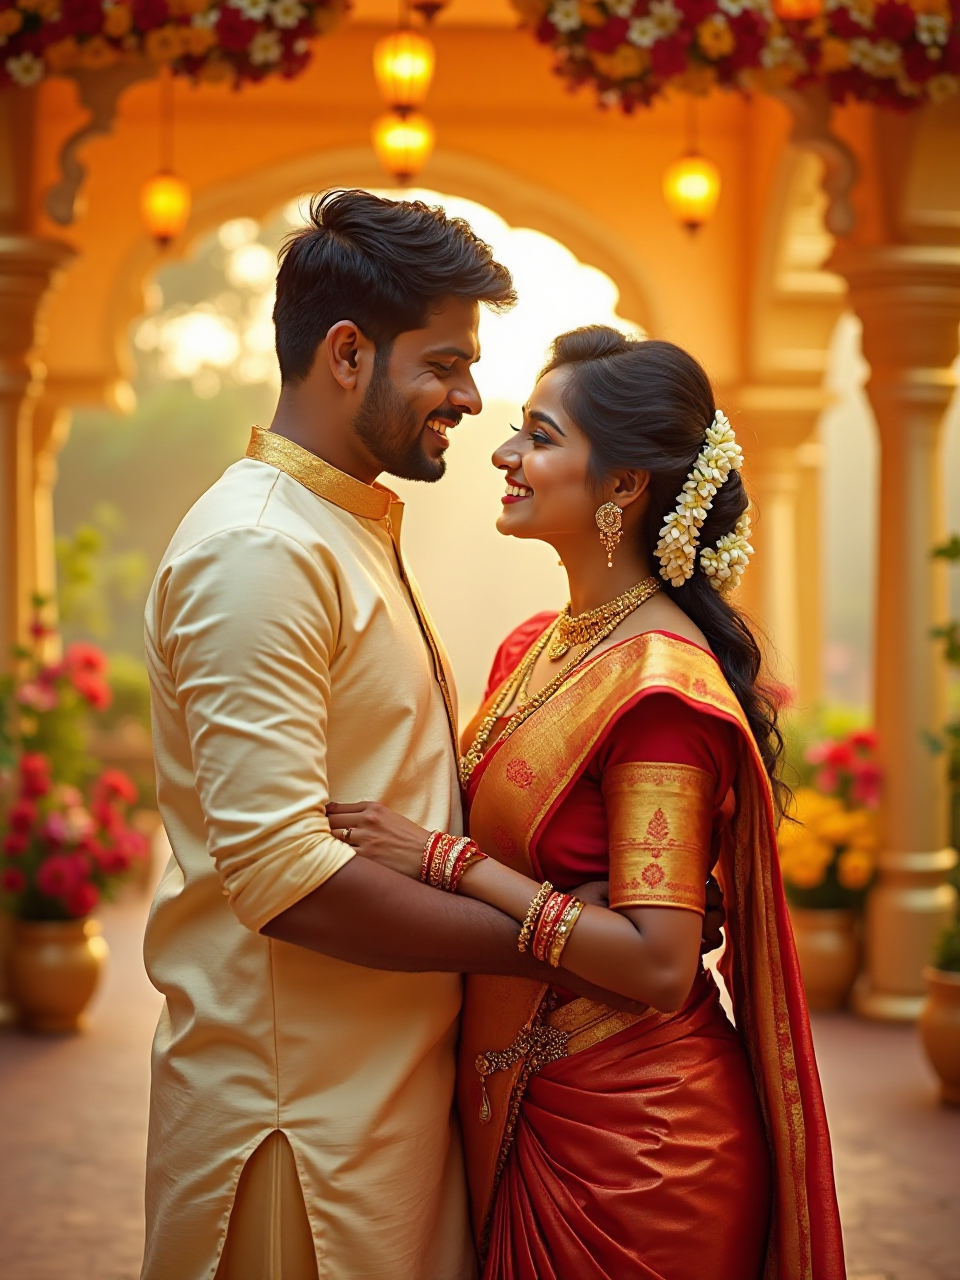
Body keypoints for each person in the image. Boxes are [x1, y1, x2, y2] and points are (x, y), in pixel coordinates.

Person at [141, 192, 724, 1280]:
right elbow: (284, 877)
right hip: (300, 1128)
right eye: (445, 365)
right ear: (347, 354)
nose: (469, 398)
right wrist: (565, 945)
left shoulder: (341, 528)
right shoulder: (261, 551)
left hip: (392, 1103)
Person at [335, 327, 846, 1280]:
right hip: (533, 1103)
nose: (504, 453)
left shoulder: (658, 698)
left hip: (640, 1155)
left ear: (624, 484)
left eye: (540, 436)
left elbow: (659, 963)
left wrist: (448, 864)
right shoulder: (543, 644)